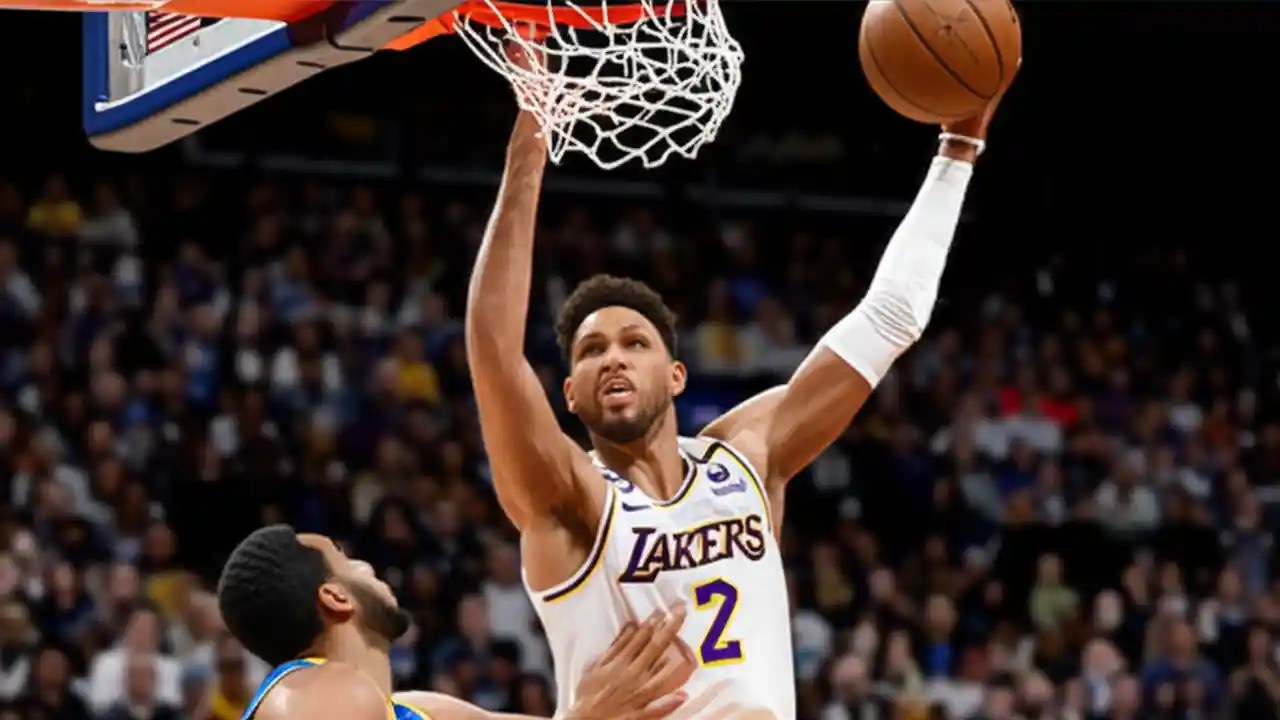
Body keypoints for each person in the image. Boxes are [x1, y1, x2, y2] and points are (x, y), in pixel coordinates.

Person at [463, 57, 1016, 718]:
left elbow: (889, 317)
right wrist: (532, 137)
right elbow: (494, 351)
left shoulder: (747, 456)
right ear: (570, 395)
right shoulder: (571, 499)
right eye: (591, 351)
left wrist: (958, 151)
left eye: (634, 343)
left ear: (676, 376)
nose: (612, 359)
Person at [217, 525, 692, 719]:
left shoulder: (420, 710)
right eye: (344, 558)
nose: (364, 564)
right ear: (336, 597)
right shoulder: (314, 694)